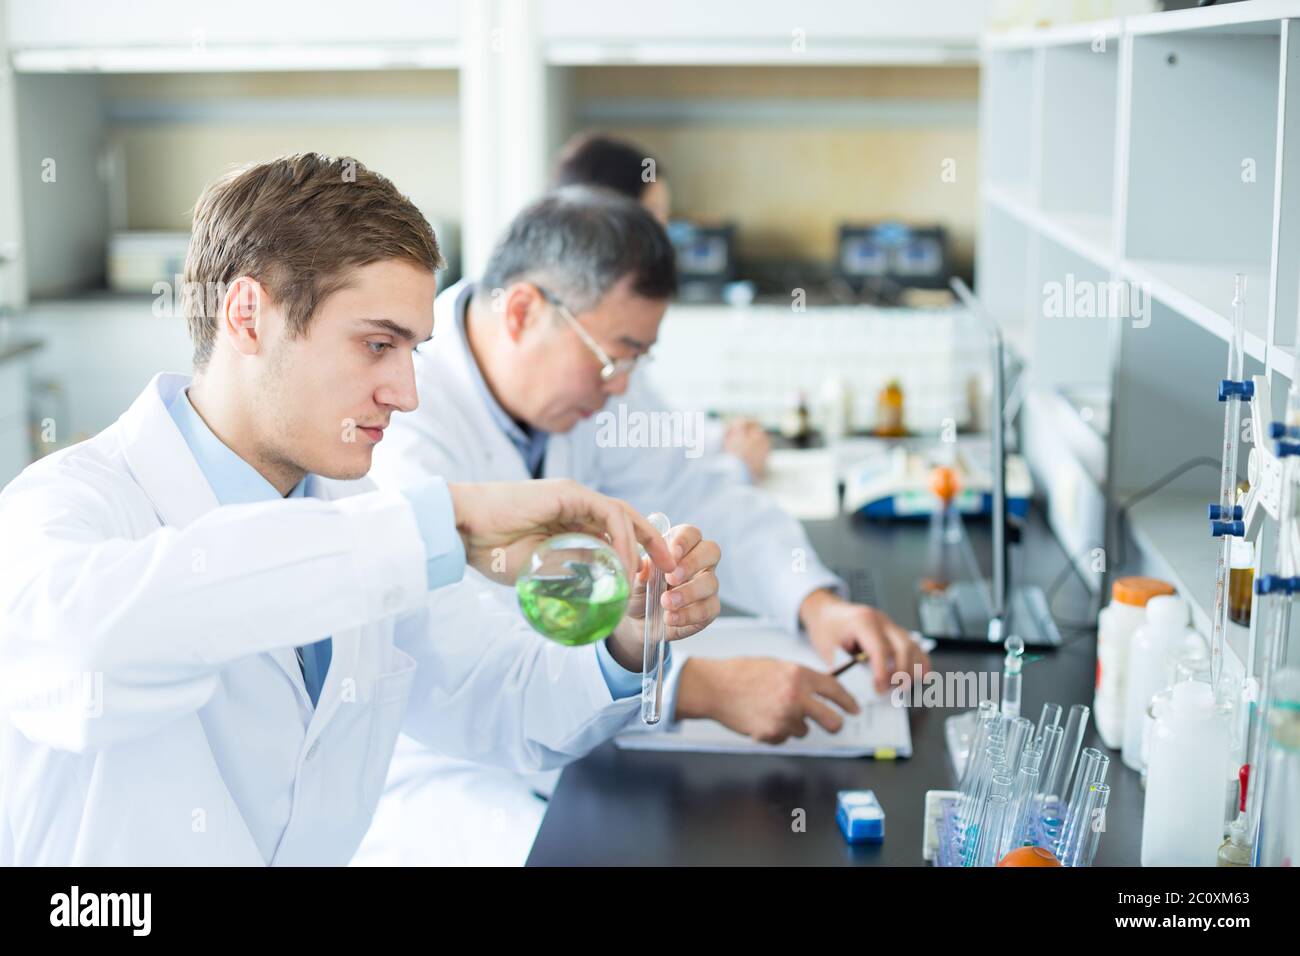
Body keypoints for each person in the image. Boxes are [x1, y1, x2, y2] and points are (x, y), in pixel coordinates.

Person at [0, 154, 722, 865]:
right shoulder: (67, 505)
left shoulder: (360, 518)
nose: (406, 393)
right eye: (377, 344)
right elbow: (87, 656)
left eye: (412, 350)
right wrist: (446, 522)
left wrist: (632, 636)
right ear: (248, 316)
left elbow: (504, 699)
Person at [357, 186, 930, 865]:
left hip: (578, 733)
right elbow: (474, 668)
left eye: (636, 360)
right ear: (521, 311)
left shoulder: (589, 380)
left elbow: (698, 488)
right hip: (448, 777)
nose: (623, 385)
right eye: (617, 356)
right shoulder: (396, 431)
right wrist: (700, 687)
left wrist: (815, 601)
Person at [554, 131, 770, 481]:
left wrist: (721, 436)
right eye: (653, 215)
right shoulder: (583, 358)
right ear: (603, 218)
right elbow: (637, 477)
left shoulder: (614, 334)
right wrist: (738, 467)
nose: (664, 236)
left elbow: (651, 427)